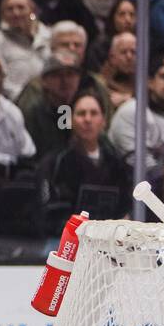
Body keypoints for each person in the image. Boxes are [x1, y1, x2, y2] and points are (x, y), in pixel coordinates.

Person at [38, 91, 131, 228]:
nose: (87, 119)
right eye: (81, 113)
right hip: (65, 238)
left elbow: (124, 207)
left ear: (104, 121)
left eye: (94, 113)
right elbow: (48, 210)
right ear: (70, 120)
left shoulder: (116, 163)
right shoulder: (56, 162)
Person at [0, 0, 49, 101]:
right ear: (2, 13)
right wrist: (25, 98)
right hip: (14, 100)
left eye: (21, 7)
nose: (16, 13)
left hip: (48, 99)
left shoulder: (47, 35)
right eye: (10, 9)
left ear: (32, 10)